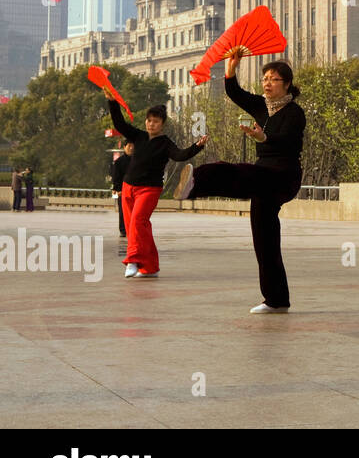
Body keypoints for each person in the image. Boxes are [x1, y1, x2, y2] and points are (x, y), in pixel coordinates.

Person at [175, 54, 306, 313]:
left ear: (287, 84)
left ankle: (196, 182)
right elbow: (235, 93)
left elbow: (289, 141)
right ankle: (276, 300)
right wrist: (231, 68)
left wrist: (263, 136)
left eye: (274, 79)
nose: (267, 84)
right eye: (264, 79)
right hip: (264, 176)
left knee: (237, 172)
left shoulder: (294, 113)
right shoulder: (261, 106)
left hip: (283, 175)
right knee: (264, 240)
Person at [106, 96, 208, 278]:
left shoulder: (165, 143)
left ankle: (133, 260)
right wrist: (112, 102)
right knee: (136, 227)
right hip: (129, 186)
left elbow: (180, 155)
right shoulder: (139, 136)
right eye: (149, 121)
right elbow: (119, 124)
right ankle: (150, 267)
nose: (151, 124)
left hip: (149, 189)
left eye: (156, 121)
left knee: (138, 221)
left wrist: (197, 146)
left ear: (162, 124)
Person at [111, 143, 134, 237]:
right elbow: (116, 177)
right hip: (123, 191)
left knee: (134, 211)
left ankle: (133, 229)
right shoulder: (119, 162)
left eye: (133, 146)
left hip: (136, 190)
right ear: (124, 147)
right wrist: (117, 189)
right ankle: (123, 230)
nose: (132, 148)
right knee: (123, 211)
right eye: (129, 146)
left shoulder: (138, 160)